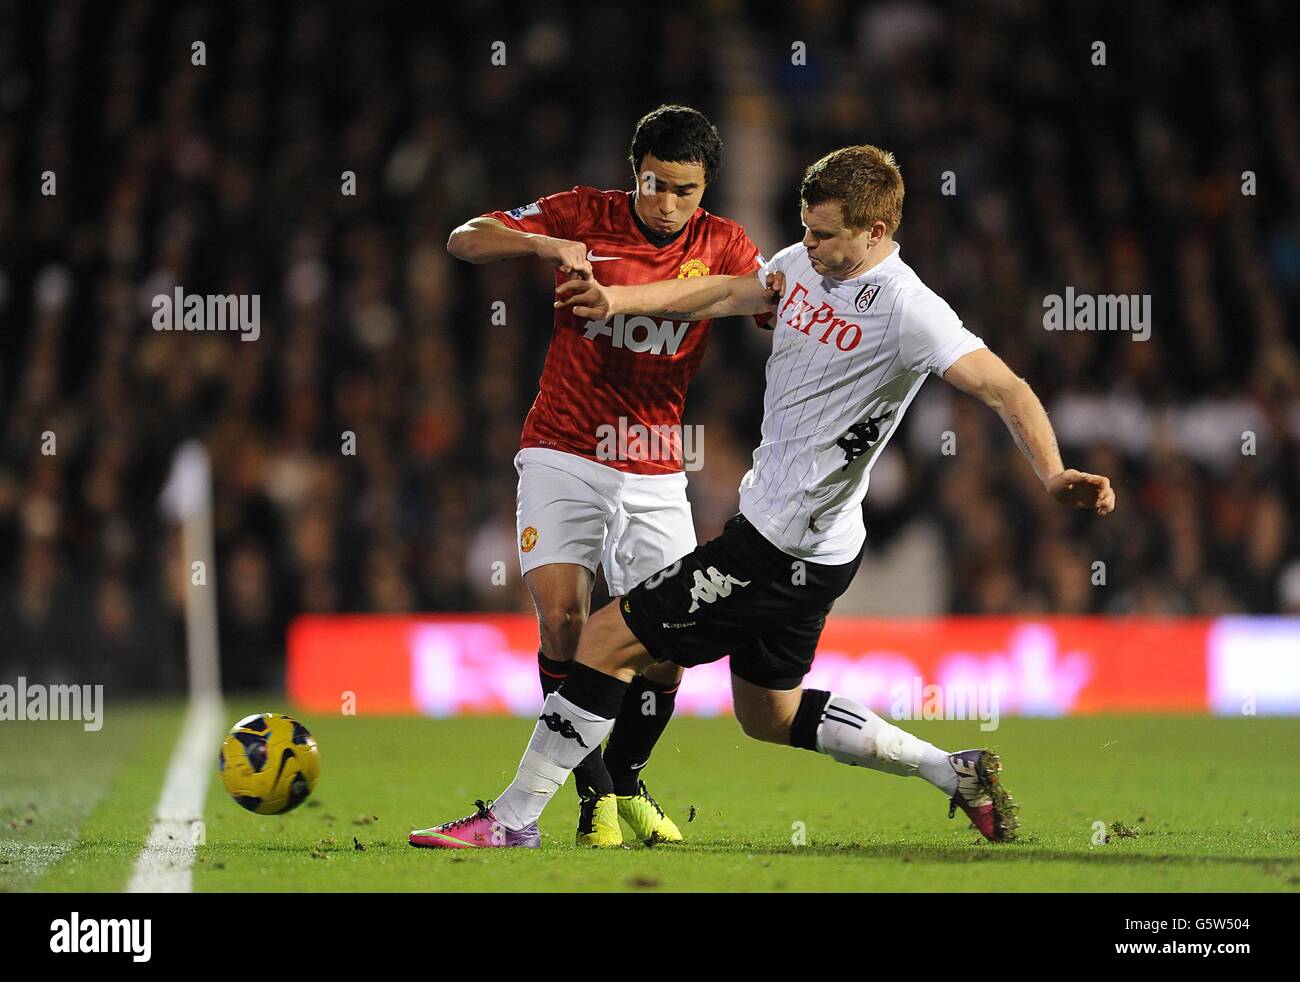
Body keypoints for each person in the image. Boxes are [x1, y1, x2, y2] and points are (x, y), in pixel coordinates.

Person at [410, 144, 1115, 849]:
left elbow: (1005, 387)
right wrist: (616, 298)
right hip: (818, 545)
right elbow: (721, 292)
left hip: (781, 546)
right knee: (767, 714)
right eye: (805, 228)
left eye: (824, 233)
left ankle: (512, 819)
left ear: (875, 233)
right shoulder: (804, 264)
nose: (805, 245)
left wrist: (1052, 474)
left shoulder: (911, 310)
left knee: (600, 640)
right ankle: (949, 770)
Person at [418, 106, 770, 848]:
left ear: (706, 187)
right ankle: (594, 799)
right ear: (631, 168)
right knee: (565, 621)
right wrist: (547, 243)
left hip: (655, 468)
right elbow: (463, 238)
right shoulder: (586, 212)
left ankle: (629, 779)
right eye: (654, 184)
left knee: (667, 646)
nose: (668, 204)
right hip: (563, 450)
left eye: (685, 190)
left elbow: (765, 299)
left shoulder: (726, 243)